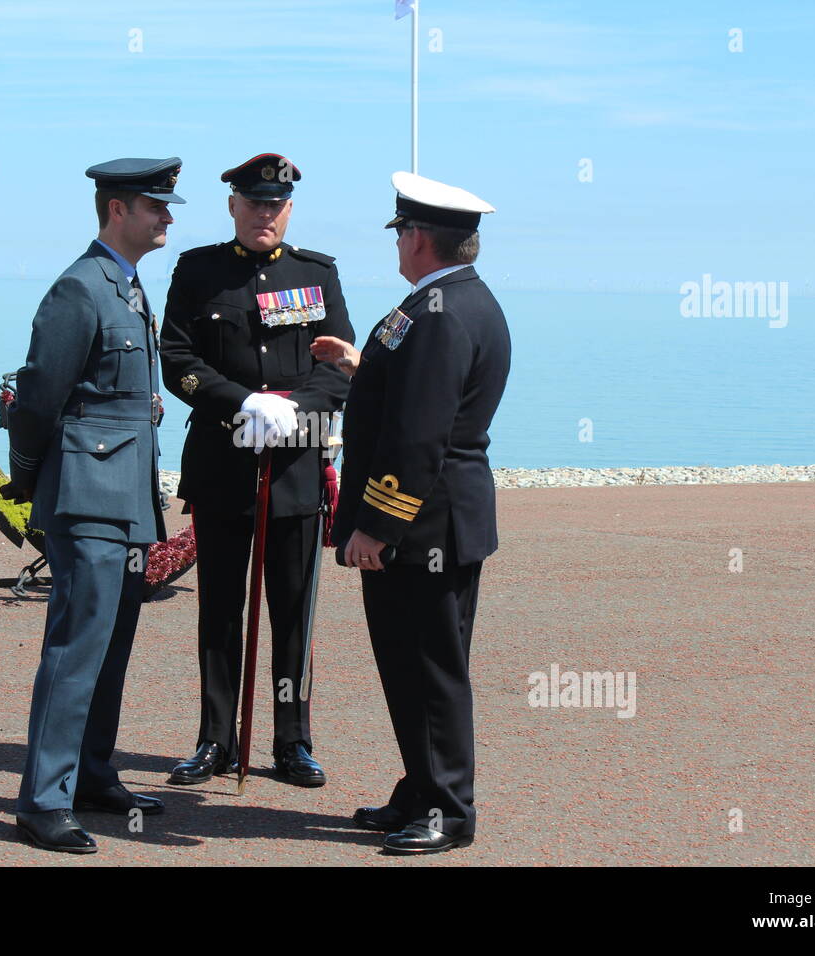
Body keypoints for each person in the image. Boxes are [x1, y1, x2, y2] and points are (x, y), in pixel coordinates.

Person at [316, 171, 510, 855]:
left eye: (402, 230)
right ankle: (422, 788)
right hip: (436, 519)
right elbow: (414, 399)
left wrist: (376, 526)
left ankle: (449, 810)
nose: (398, 241)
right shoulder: (451, 303)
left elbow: (419, 436)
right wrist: (364, 369)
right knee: (411, 666)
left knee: (430, 669)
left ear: (420, 237)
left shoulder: (441, 314)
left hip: (426, 526)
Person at [3, 157, 182, 853]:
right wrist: (26, 476)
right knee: (76, 649)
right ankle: (42, 800)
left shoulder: (127, 286)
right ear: (117, 211)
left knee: (111, 647)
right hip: (86, 497)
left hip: (127, 497)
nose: (167, 217)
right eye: (155, 206)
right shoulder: (80, 289)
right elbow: (40, 397)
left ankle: (91, 774)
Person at [159, 153, 355, 786]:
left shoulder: (316, 274)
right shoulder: (198, 271)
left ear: (288, 210)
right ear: (233, 207)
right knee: (219, 608)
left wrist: (293, 409)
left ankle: (292, 739)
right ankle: (215, 737)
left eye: (275, 206)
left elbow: (340, 365)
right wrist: (242, 401)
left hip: (296, 467)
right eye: (254, 204)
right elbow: (177, 358)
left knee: (292, 610)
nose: (264, 214)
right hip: (222, 463)